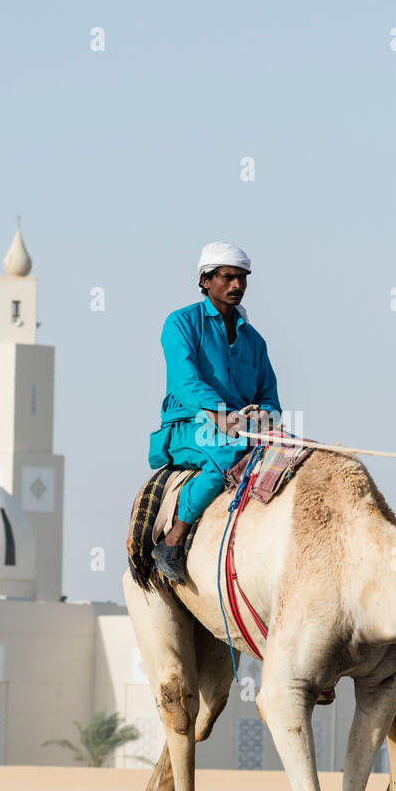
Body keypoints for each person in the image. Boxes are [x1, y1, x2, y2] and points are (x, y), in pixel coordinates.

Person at [148, 242, 282, 584]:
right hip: (189, 425)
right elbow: (184, 382)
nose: (237, 285)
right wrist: (223, 417)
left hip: (242, 428)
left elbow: (270, 398)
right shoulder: (180, 324)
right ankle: (175, 535)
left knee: (294, 452)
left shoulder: (255, 341)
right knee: (229, 453)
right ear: (206, 280)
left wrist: (260, 418)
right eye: (227, 277)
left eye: (242, 278)